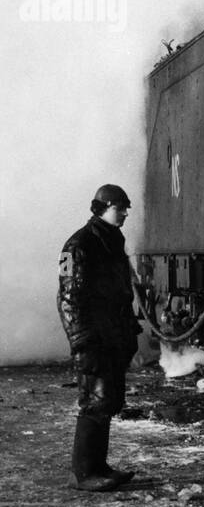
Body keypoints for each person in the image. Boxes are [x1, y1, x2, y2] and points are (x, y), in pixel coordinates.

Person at [57, 184, 142, 491]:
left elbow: (119, 294)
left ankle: (98, 466)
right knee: (94, 401)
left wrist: (128, 331)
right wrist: (81, 342)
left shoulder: (110, 240)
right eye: (120, 207)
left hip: (111, 335)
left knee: (107, 400)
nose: (126, 213)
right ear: (101, 208)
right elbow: (69, 298)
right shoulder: (78, 245)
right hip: (93, 337)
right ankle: (82, 474)